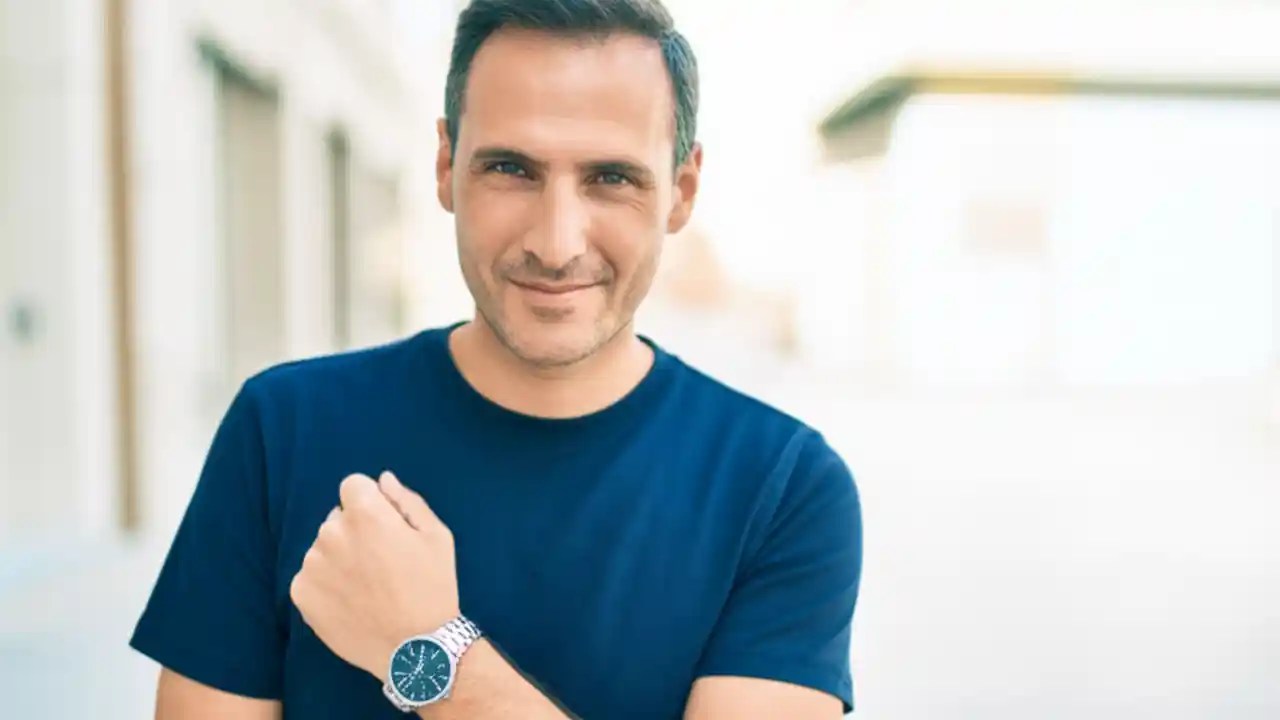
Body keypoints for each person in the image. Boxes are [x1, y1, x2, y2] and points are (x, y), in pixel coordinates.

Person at [129, 0, 863, 717]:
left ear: (682, 191)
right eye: (511, 168)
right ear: (446, 166)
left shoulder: (782, 490)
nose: (556, 241)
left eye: (611, 177)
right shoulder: (282, 432)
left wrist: (427, 650)